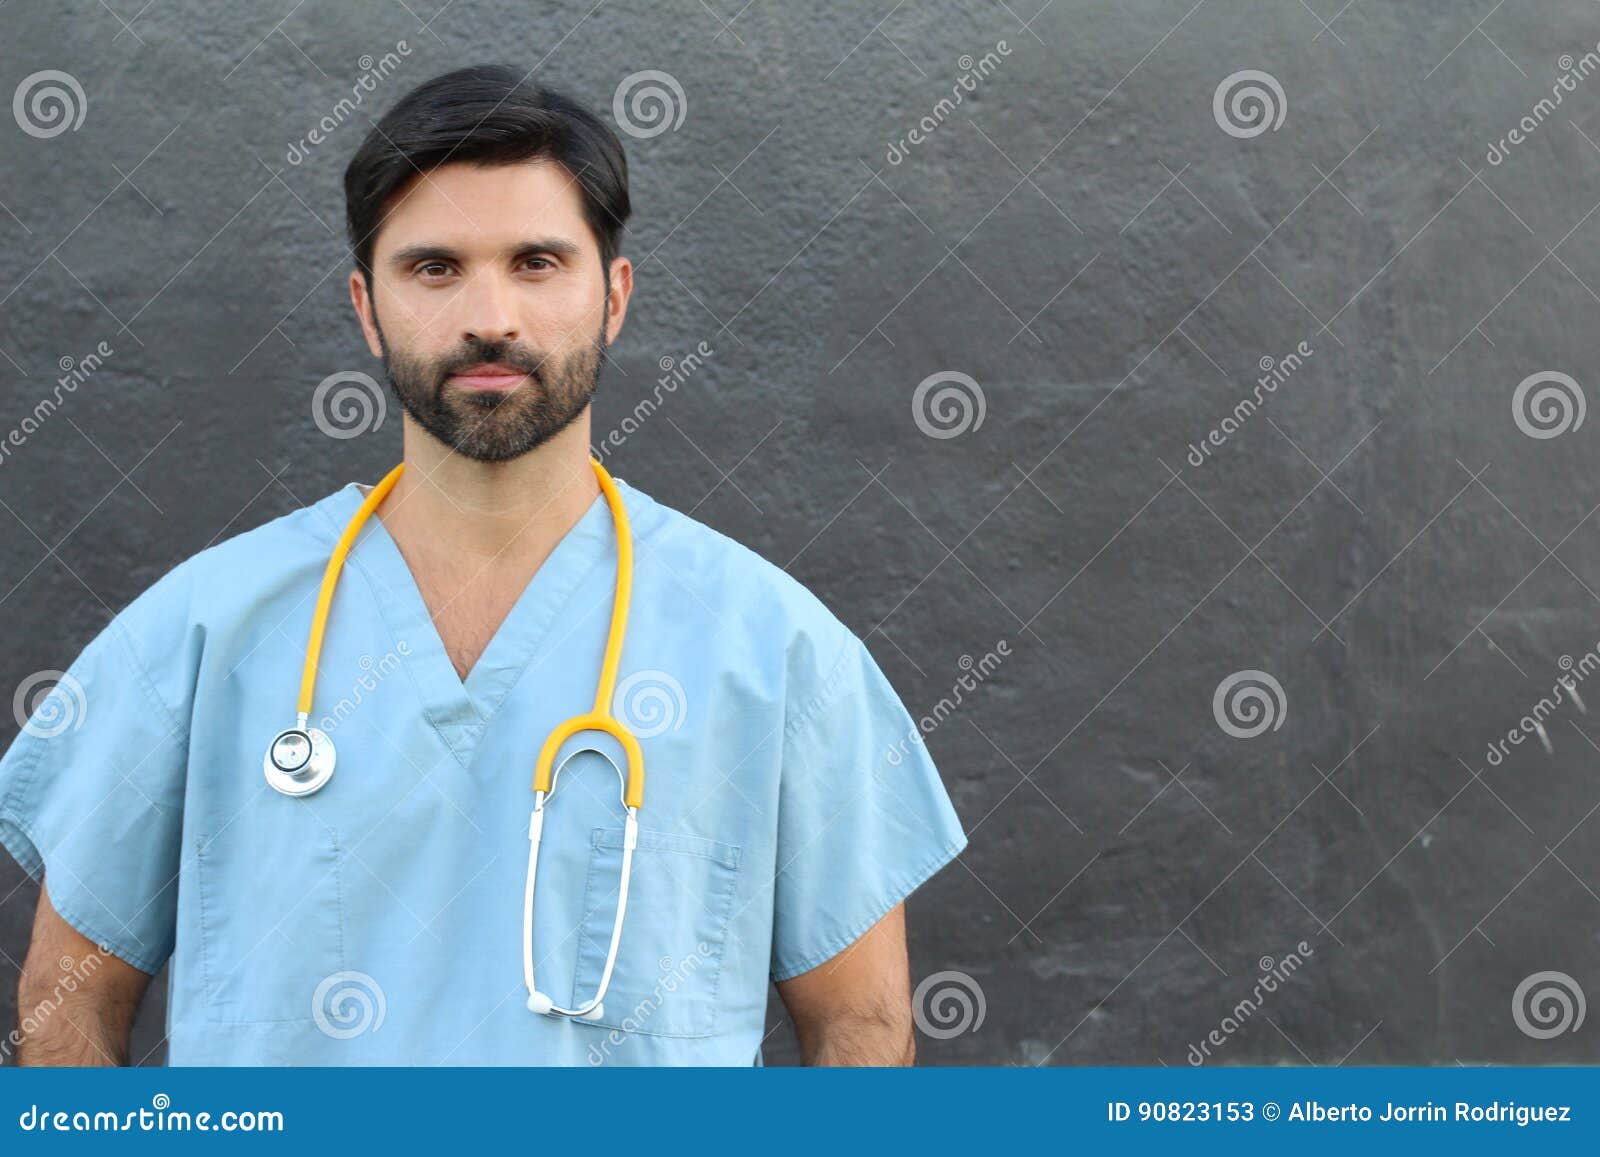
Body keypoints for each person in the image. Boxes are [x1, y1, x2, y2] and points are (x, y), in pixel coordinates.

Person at [1, 64, 967, 1065]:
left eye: (538, 262)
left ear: (614, 296)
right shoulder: (204, 629)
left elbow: (861, 1024)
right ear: (367, 308)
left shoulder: (772, 647)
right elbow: (68, 1001)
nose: (489, 315)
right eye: (434, 268)